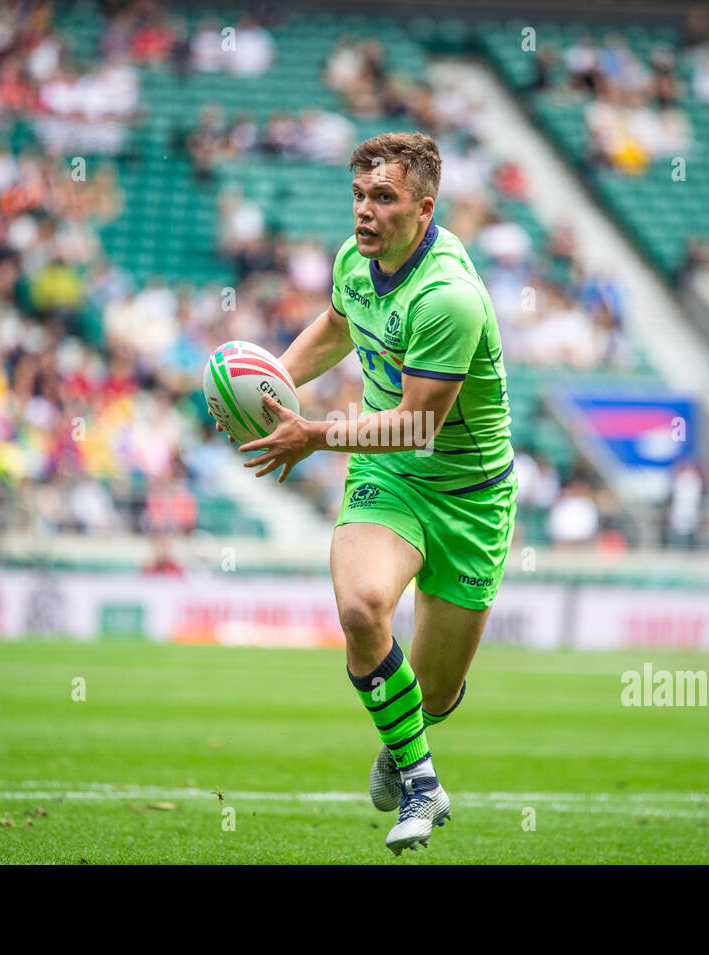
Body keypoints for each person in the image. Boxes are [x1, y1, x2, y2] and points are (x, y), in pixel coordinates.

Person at [212, 132, 516, 855]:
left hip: (469, 496)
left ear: (424, 208)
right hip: (388, 480)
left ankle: (403, 732)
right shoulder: (355, 261)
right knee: (362, 606)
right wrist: (269, 390)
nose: (364, 212)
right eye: (358, 195)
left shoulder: (448, 297)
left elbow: (416, 423)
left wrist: (311, 435)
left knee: (435, 693)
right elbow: (338, 326)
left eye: (383, 198)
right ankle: (420, 779)